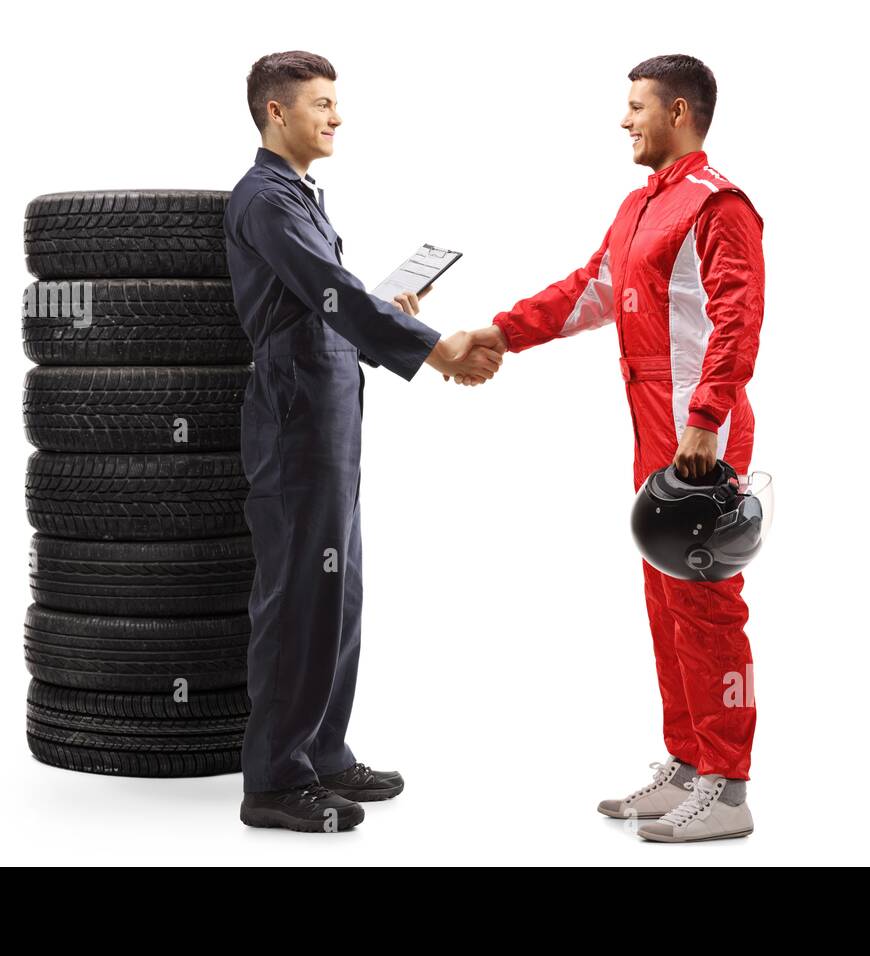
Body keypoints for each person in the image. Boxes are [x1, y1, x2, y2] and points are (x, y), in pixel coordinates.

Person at [457, 54, 766, 843]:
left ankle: (729, 790)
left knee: (706, 601)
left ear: (681, 112)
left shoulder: (718, 204)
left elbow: (738, 318)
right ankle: (689, 765)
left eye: (638, 106)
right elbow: (591, 289)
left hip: (700, 431)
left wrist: (703, 418)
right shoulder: (639, 208)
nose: (625, 120)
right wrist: (502, 332)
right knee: (666, 599)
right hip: (649, 420)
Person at [224, 51, 502, 833]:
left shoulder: (303, 197)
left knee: (338, 593)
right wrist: (431, 344)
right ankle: (274, 781)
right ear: (276, 112)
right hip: (294, 421)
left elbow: (322, 304)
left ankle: (321, 750)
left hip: (329, 414)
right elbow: (328, 293)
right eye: (322, 103)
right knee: (297, 594)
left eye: (336, 103)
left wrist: (388, 309)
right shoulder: (265, 198)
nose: (336, 116)